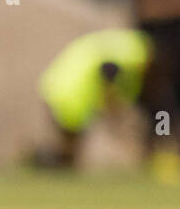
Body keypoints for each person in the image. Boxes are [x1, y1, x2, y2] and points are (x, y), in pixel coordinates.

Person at [33, 28, 153, 169]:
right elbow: (107, 70)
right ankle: (39, 158)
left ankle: (40, 157)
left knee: (69, 151)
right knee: (68, 152)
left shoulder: (128, 44)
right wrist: (112, 104)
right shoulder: (137, 54)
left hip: (58, 85)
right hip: (70, 94)